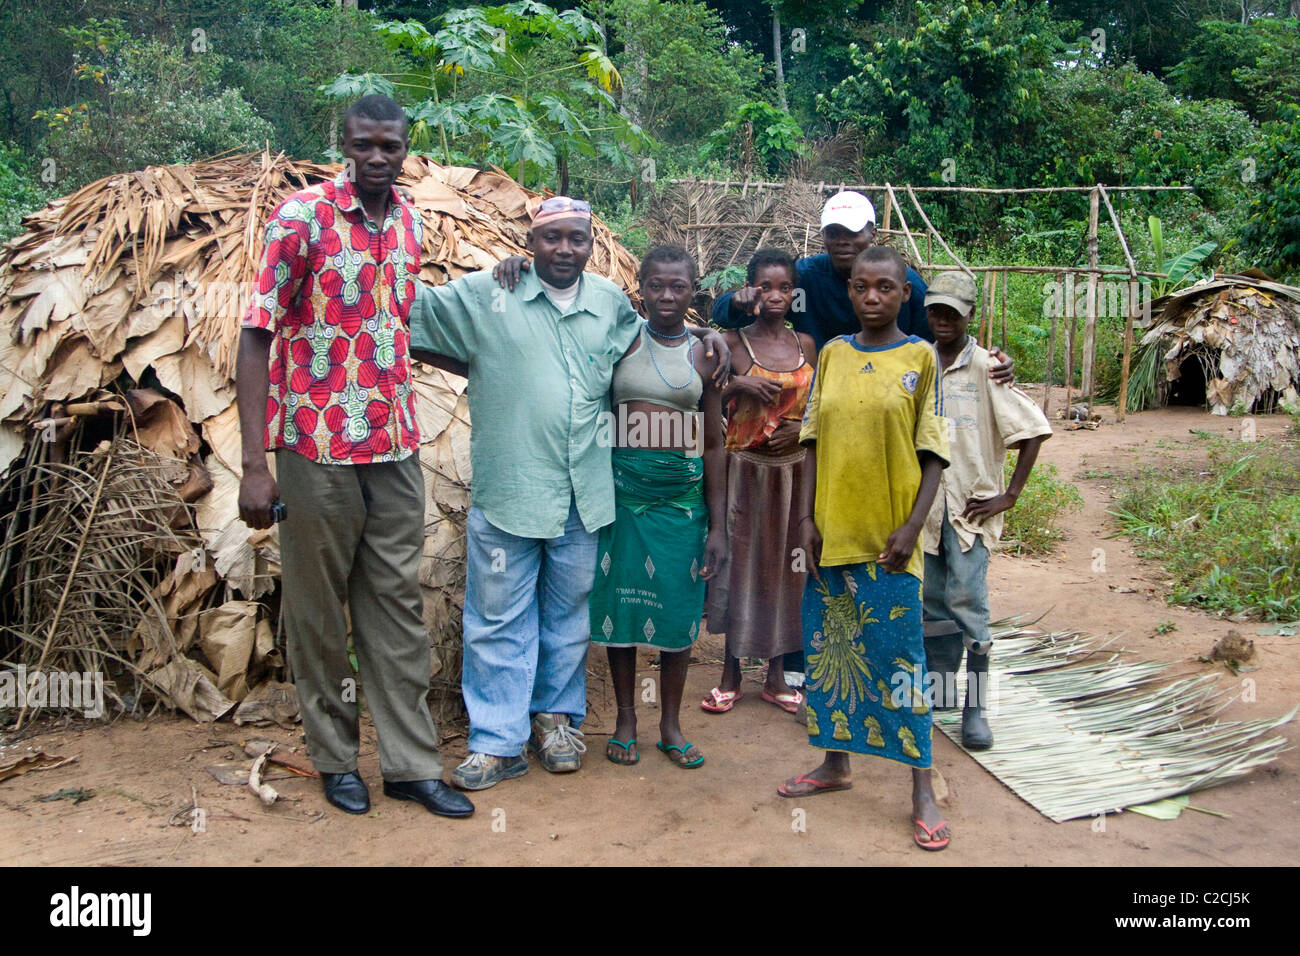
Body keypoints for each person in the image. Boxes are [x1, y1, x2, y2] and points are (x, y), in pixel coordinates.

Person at [408, 200, 730, 790]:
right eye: (551, 237)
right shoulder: (489, 292)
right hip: (513, 487)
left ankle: (557, 723)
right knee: (497, 617)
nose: (564, 249)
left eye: (575, 239)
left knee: (568, 617)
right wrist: (478, 369)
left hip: (586, 494)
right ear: (530, 239)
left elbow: (663, 335)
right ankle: (496, 742)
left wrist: (712, 334)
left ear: (589, 242)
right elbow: (407, 320)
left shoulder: (608, 302)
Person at [236, 94, 473, 820]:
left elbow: (391, 326)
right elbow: (256, 335)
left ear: (406, 147)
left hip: (394, 444)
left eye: (390, 146)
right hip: (316, 447)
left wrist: (483, 361)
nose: (377, 157)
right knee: (315, 610)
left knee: (396, 606)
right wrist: (255, 461)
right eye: (364, 144)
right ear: (343, 142)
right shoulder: (301, 217)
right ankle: (337, 760)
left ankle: (409, 766)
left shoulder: (411, 221)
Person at [779, 245, 953, 852]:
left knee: (901, 660)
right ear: (848, 291)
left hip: (889, 539)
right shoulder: (831, 354)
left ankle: (922, 788)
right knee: (831, 652)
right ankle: (835, 763)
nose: (871, 297)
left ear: (907, 293)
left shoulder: (920, 357)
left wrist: (911, 528)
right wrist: (806, 515)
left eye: (884, 287)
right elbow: (811, 441)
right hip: (832, 533)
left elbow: (932, 453)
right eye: (860, 287)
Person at [591, 245, 726, 768]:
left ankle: (670, 724)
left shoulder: (707, 354)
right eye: (656, 286)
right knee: (621, 609)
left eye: (679, 287)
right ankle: (627, 719)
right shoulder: (619, 339)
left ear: (694, 292)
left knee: (676, 613)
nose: (667, 297)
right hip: (622, 497)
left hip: (681, 503)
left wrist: (717, 524)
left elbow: (713, 444)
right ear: (640, 289)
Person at [921, 272, 1052, 750]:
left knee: (967, 601)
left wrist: (1009, 495)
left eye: (951, 313)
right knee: (932, 599)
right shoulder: (919, 361)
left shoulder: (986, 367)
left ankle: (976, 708)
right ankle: (940, 688)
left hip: (969, 510)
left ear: (970, 314)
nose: (942, 320)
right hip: (925, 509)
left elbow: (1033, 430)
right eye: (935, 310)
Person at [701, 248, 815, 716]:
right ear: (749, 289)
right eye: (764, 286)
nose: (775, 296)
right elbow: (702, 394)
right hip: (744, 469)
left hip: (795, 473)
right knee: (739, 569)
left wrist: (802, 438)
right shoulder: (729, 341)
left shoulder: (806, 345)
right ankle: (730, 672)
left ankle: (774, 675)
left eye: (784, 287)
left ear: (794, 292)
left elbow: (817, 411)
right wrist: (737, 386)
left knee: (787, 574)